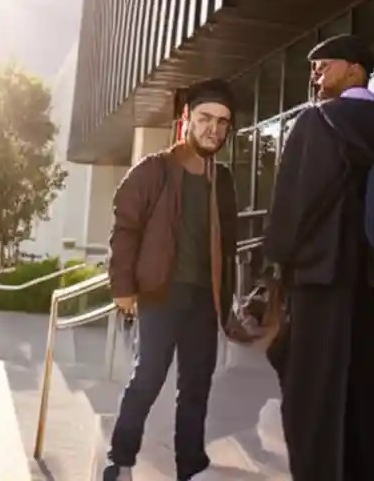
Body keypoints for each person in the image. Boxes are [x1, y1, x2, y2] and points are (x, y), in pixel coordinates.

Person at [263, 34, 374, 480]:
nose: (316, 72)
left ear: (356, 70)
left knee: (313, 399)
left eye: (325, 64)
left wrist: (275, 272)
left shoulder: (313, 124)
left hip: (320, 289)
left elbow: (289, 208)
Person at [102, 79, 241, 481]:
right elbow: (125, 228)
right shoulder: (154, 169)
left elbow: (227, 246)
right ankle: (121, 460)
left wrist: (228, 299)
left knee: (197, 387)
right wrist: (123, 287)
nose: (213, 129)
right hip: (160, 293)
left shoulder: (224, 179)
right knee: (146, 379)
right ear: (187, 120)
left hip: (204, 298)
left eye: (222, 122)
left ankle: (190, 468)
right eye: (205, 118)